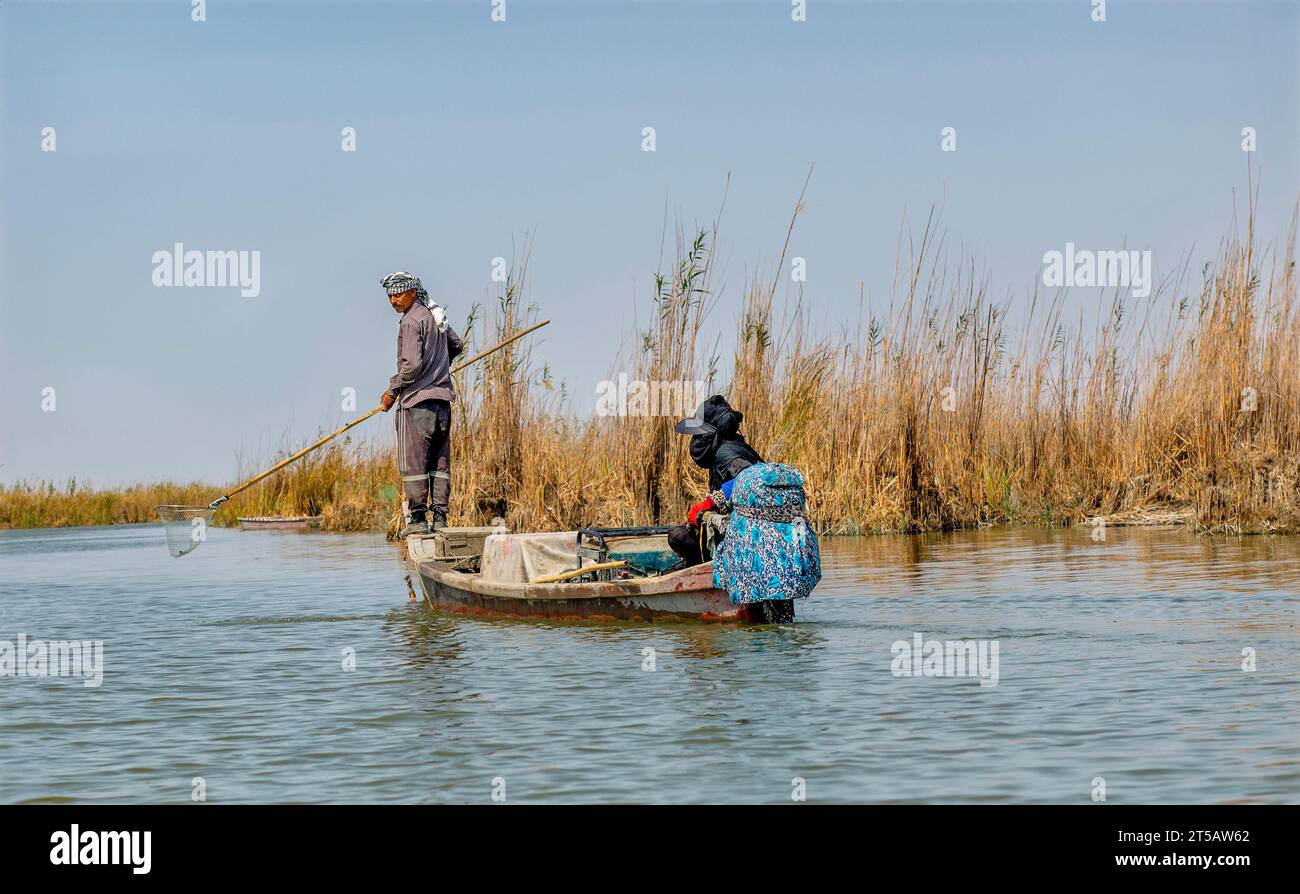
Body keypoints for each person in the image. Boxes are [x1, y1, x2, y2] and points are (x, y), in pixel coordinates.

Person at [378, 272, 463, 537]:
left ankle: (416, 520)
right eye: (390, 296)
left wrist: (392, 390)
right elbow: (457, 345)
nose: (393, 300)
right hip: (442, 404)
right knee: (439, 462)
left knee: (414, 463)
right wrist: (439, 365)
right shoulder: (436, 316)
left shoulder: (411, 321)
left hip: (417, 403)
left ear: (413, 292)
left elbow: (411, 367)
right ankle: (440, 518)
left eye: (398, 294)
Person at [667, 394, 763, 566]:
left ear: (712, 433)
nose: (696, 441)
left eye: (699, 435)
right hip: (740, 531)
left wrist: (710, 502)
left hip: (747, 536)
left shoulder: (727, 451)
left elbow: (751, 479)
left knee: (676, 537)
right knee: (680, 536)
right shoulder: (729, 447)